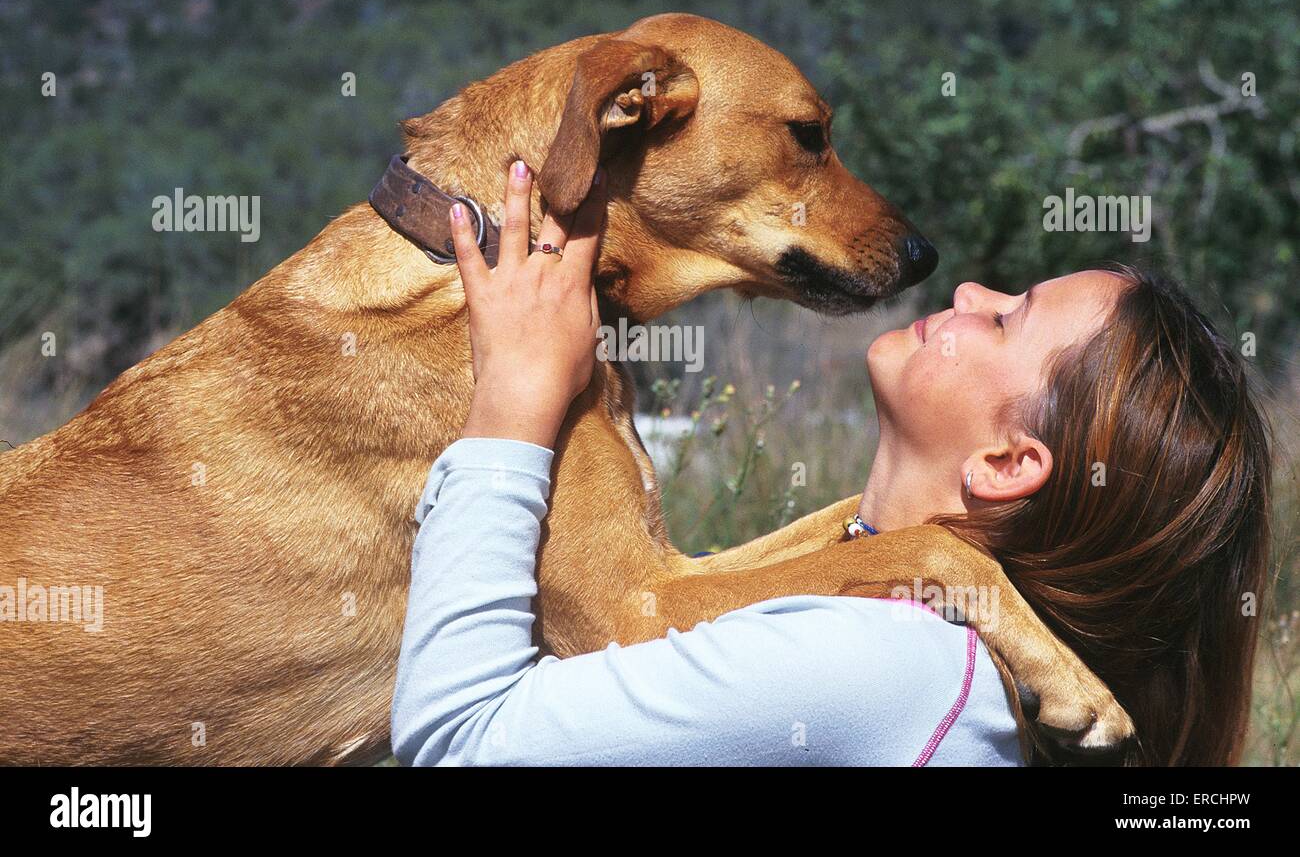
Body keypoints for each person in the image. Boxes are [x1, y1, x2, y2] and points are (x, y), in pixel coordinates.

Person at [390, 160, 1271, 766]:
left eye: (1006, 319)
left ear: (1008, 462)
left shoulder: (895, 664)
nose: (969, 293)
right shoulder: (913, 645)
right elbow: (651, 616)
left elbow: (460, 744)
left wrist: (511, 402)